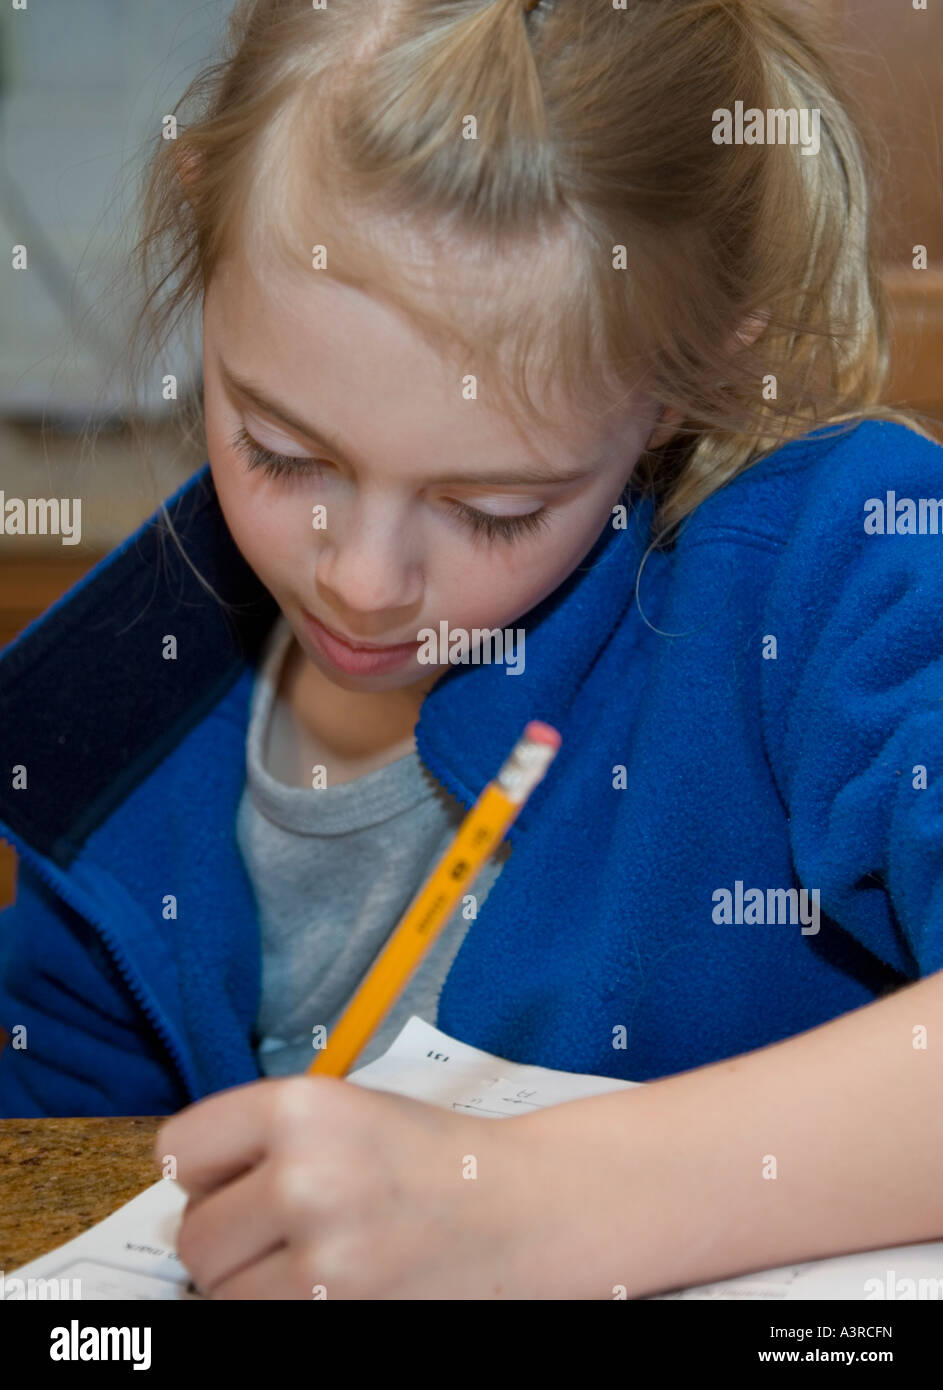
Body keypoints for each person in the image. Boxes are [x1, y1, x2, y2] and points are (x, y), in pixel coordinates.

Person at [1, 0, 941, 1299]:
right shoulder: (96, 729)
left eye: (495, 508)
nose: (366, 581)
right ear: (201, 218)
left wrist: (537, 1207)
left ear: (681, 374)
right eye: (283, 449)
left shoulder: (834, 565)